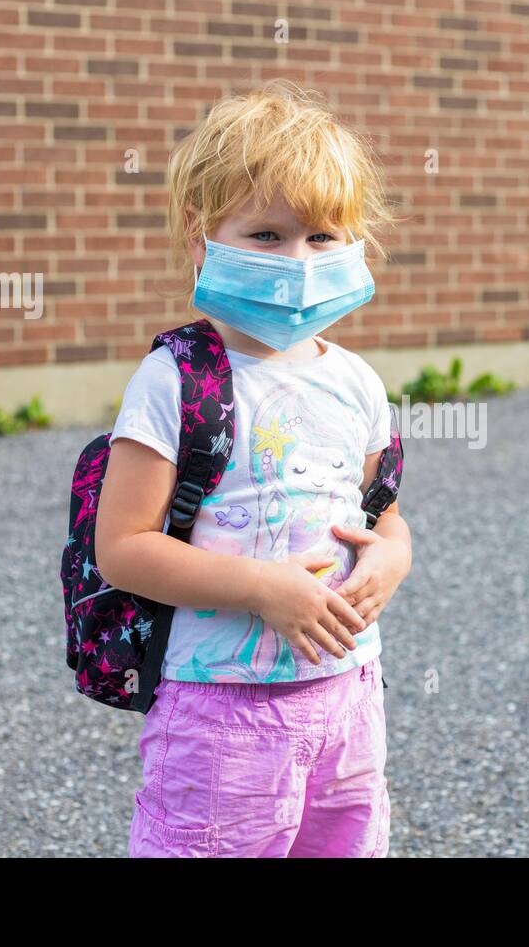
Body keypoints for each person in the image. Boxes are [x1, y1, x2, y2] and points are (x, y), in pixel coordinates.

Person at [94, 80, 412, 857]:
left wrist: (395, 560)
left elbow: (385, 512)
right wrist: (262, 588)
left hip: (347, 699)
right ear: (203, 240)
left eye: (323, 238)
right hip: (219, 711)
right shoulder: (176, 381)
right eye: (266, 235)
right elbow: (124, 546)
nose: (297, 261)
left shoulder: (357, 382)